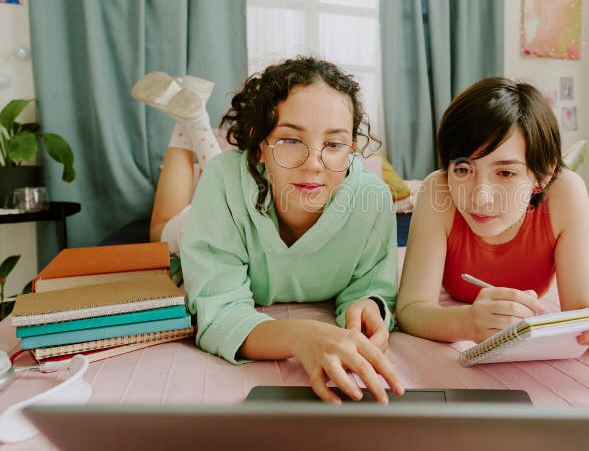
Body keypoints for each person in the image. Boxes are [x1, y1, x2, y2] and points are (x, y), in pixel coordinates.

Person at [131, 57, 403, 403]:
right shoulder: (222, 182)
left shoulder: (373, 197)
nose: (314, 164)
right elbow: (219, 313)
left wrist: (368, 305)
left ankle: (193, 121)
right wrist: (300, 337)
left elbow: (373, 286)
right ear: (260, 144)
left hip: (250, 191)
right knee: (161, 229)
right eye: (290, 139)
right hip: (210, 219)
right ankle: (187, 125)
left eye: (334, 145)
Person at [396, 78, 589, 363]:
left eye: (505, 173)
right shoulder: (438, 190)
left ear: (542, 175)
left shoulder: (566, 191)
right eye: (462, 170)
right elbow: (410, 310)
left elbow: (582, 313)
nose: (481, 198)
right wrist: (467, 322)